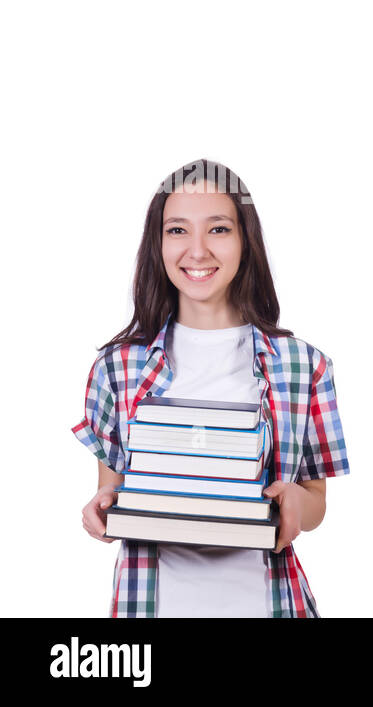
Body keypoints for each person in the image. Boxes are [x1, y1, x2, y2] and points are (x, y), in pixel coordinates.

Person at [73, 159, 349, 618]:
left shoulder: (304, 366)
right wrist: (102, 509)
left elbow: (315, 502)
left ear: (245, 241)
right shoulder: (116, 368)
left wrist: (295, 503)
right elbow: (115, 492)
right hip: (153, 607)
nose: (197, 251)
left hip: (268, 604)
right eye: (177, 230)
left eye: (218, 229)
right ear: (157, 243)